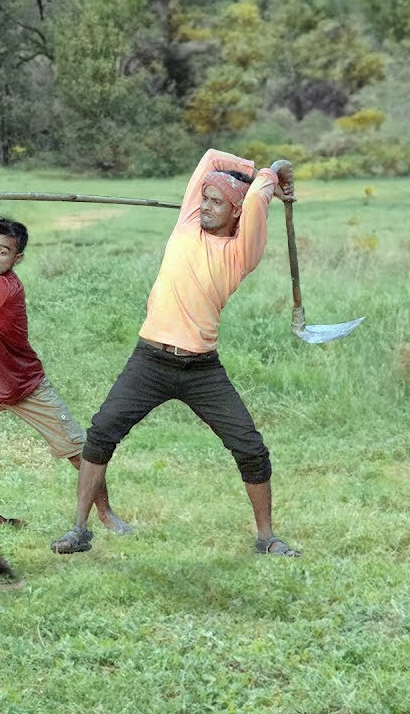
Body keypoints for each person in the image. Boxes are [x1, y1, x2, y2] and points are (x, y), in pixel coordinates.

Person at [50, 150, 300, 557]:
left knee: (250, 448)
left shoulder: (242, 253)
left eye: (216, 202)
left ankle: (266, 537)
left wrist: (273, 174)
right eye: (204, 198)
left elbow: (256, 200)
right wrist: (255, 170)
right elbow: (209, 159)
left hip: (201, 369)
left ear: (236, 212)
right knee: (100, 435)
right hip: (149, 361)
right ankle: (79, 530)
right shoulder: (186, 224)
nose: (204, 205)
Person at [0, 187, 129, 547]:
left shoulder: (1, 289)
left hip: (25, 385)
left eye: (3, 251)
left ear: (17, 258)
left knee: (79, 452)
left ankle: (105, 514)